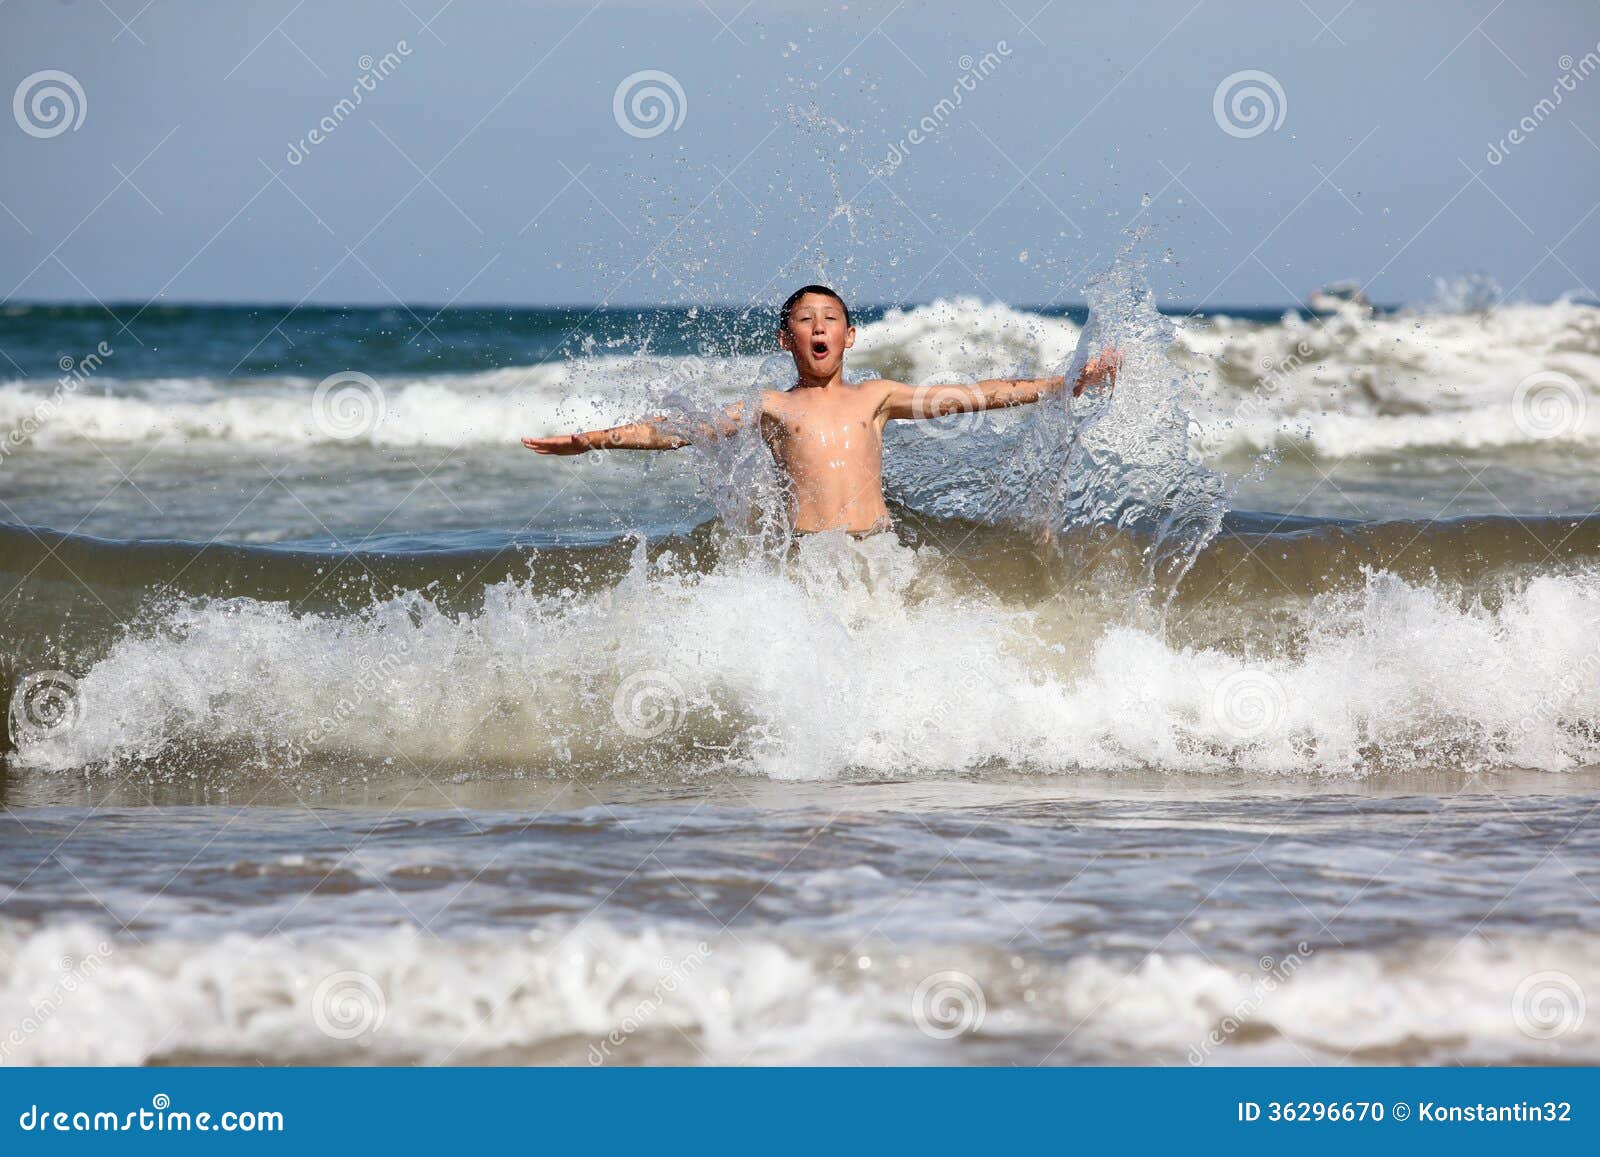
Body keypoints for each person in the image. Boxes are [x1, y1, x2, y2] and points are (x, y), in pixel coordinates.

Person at [522, 285, 1121, 536]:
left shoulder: (876, 397)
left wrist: (1066, 382)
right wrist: (592, 439)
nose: (818, 327)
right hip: (810, 557)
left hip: (877, 552)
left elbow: (975, 393)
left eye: (830, 319)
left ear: (849, 336)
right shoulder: (771, 406)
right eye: (805, 320)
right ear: (786, 339)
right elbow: (682, 431)